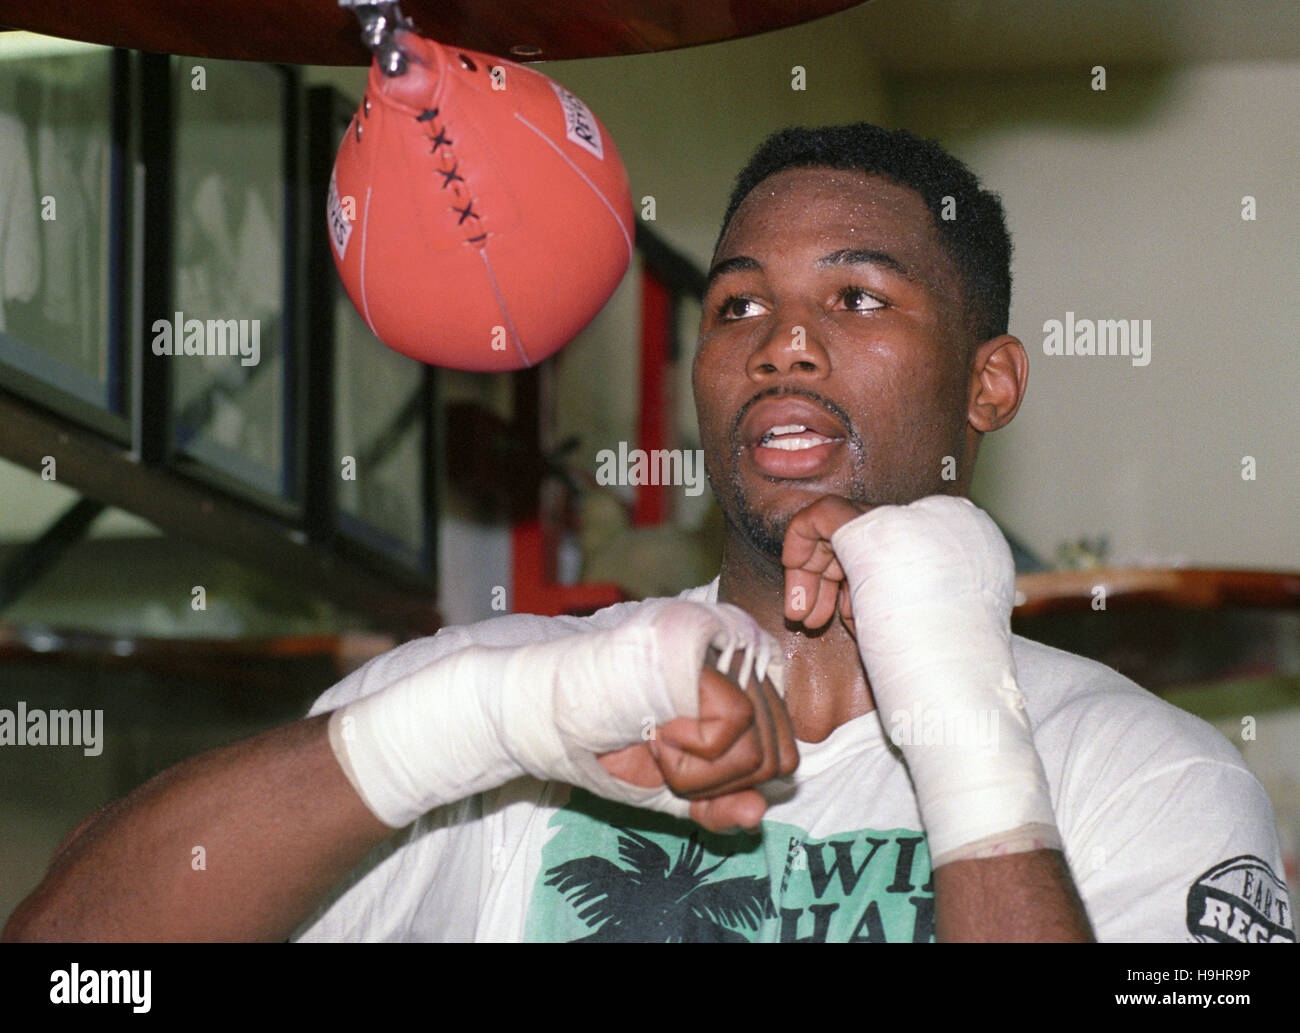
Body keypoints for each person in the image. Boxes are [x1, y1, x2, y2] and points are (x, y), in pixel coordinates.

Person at [4, 124, 1291, 944]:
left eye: (857, 295)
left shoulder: (1147, 778)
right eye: (739, 305)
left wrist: (966, 734)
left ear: (989, 382)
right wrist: (473, 723)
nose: (781, 340)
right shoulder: (519, 705)